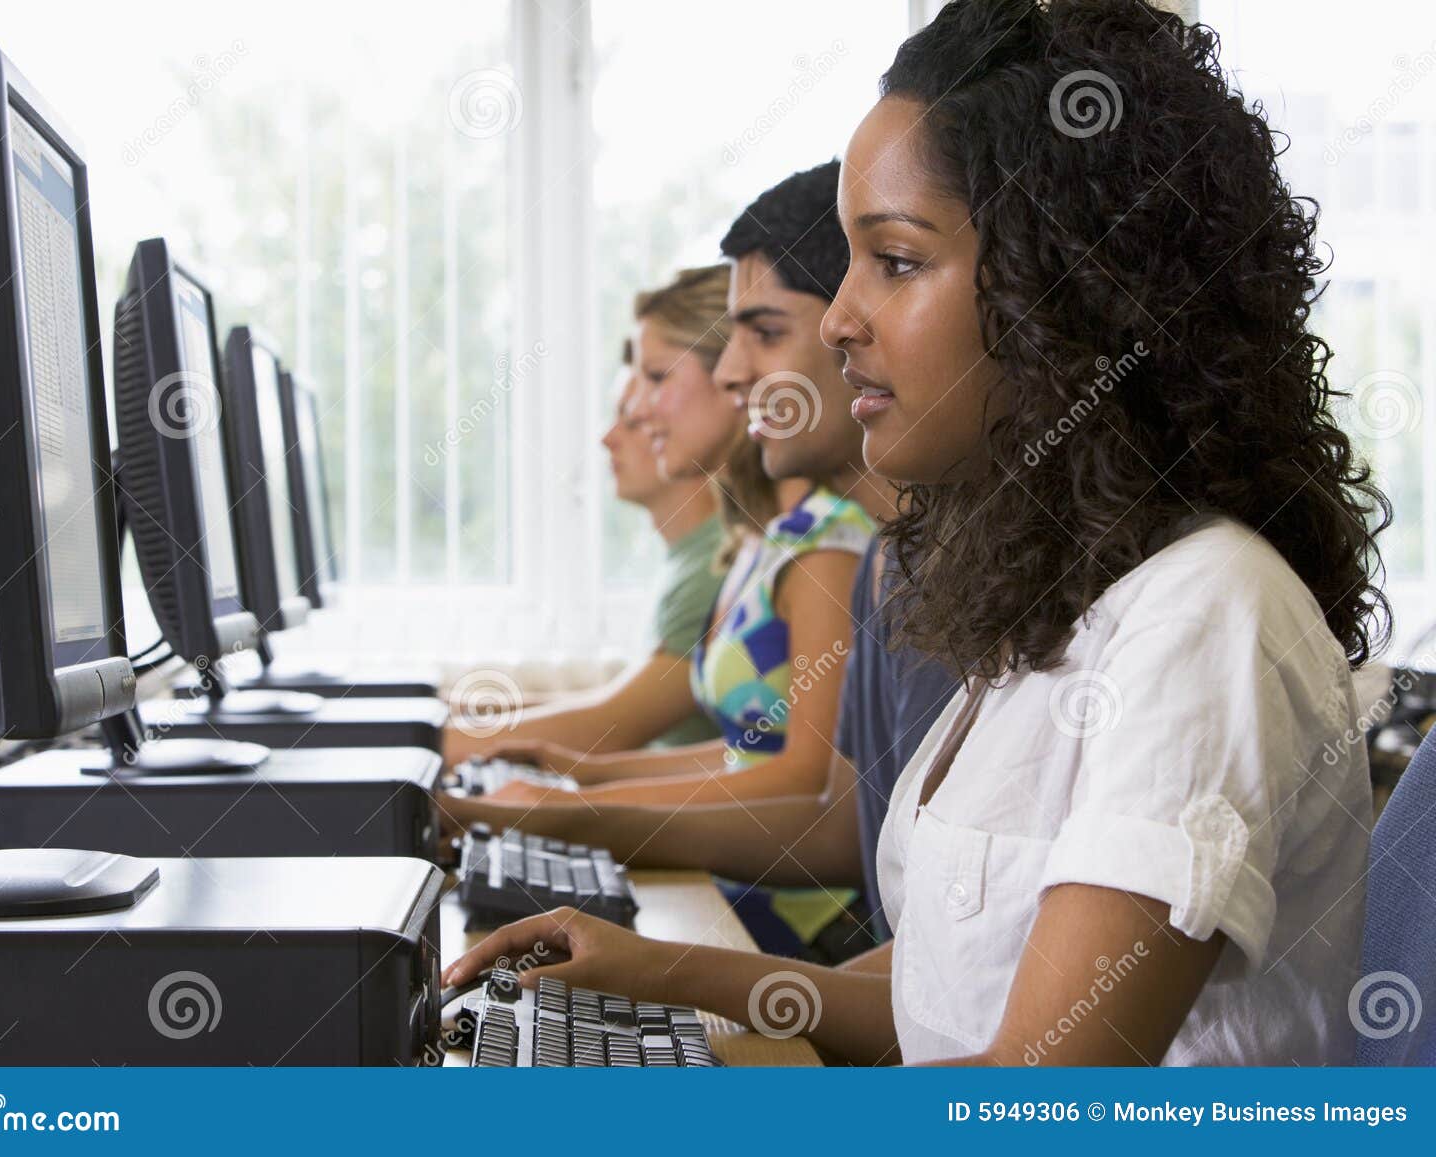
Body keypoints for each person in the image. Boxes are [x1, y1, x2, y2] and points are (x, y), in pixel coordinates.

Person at [446, 0, 1388, 1066]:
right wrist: (650, 969)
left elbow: (1033, 1102)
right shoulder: (1046, 605)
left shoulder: (1203, 614)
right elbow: (944, 991)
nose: (839, 318)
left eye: (894, 260)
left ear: (1068, 291)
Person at [447, 163, 928, 961]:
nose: (732, 372)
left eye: (764, 333)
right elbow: (810, 792)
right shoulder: (867, 553)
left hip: (807, 929)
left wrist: (576, 805)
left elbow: (813, 801)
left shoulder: (839, 545)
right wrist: (581, 788)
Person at [441, 281, 757, 764]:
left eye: (656, 381)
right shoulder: (702, 558)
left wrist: (418, 741)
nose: (610, 436)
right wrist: (437, 718)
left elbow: (608, 726)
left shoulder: (719, 561)